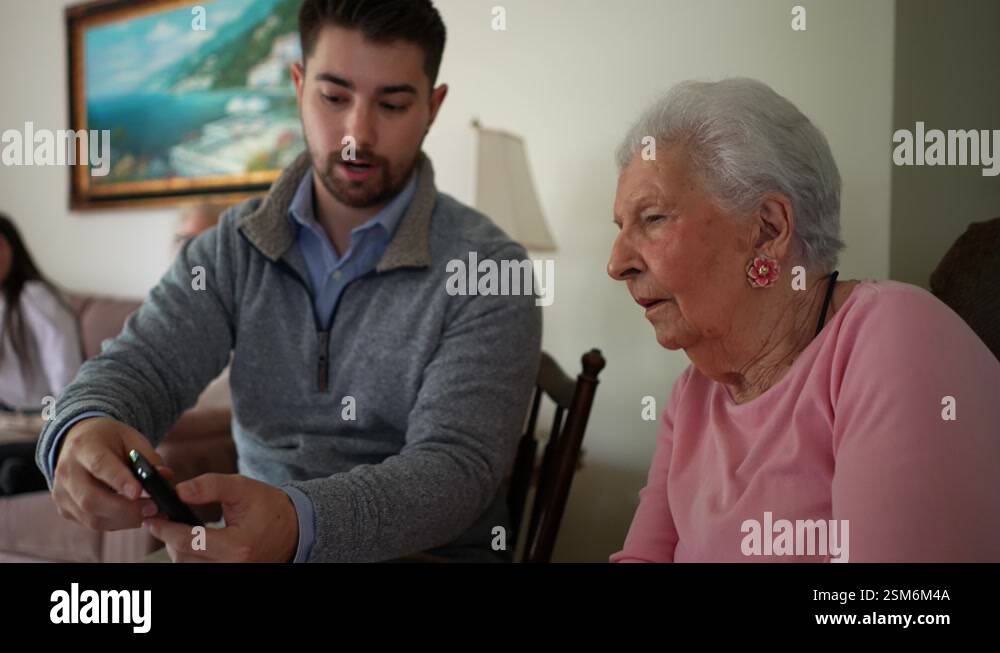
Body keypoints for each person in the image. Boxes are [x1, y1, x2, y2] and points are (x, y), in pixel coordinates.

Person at [36, 0, 542, 563]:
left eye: (393, 104)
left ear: (433, 107)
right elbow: (144, 364)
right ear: (298, 85)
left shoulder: (492, 270)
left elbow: (455, 470)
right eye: (333, 97)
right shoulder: (234, 247)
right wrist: (80, 428)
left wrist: (300, 524)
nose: (357, 134)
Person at [607, 78, 1000, 562]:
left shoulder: (894, 339)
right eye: (621, 228)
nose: (617, 262)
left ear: (768, 229)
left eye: (653, 219)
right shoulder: (694, 394)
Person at [0, 213, 82, 494]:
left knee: (13, 467)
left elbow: (65, 370)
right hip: (6, 418)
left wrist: (64, 423)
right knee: (11, 471)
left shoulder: (35, 297)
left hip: (38, 418)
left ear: (14, 249)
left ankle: (38, 466)